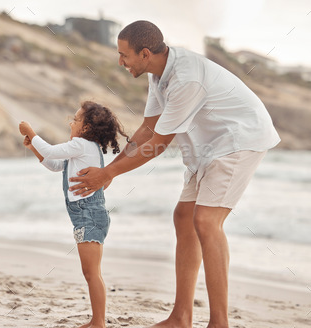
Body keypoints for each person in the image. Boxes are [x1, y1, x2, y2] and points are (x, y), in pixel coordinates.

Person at [68, 21, 281, 328]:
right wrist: (109, 171)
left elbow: (157, 145)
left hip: (238, 140)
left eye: (124, 55)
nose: (120, 62)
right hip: (209, 145)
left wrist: (108, 173)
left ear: (144, 53)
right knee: (184, 216)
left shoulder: (186, 79)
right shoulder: (159, 74)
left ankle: (219, 323)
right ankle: (181, 317)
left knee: (207, 221)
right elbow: (147, 128)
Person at [19, 101, 129, 328]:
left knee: (92, 273)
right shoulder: (83, 149)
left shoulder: (81, 145)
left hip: (89, 215)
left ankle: (99, 322)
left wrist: (31, 132)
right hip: (84, 216)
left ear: (87, 128)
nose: (71, 121)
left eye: (76, 119)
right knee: (90, 272)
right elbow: (54, 164)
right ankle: (96, 320)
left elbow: (49, 150)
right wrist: (33, 148)